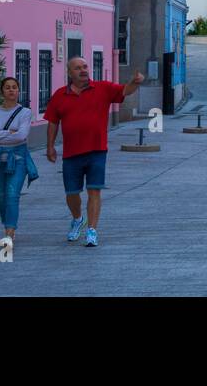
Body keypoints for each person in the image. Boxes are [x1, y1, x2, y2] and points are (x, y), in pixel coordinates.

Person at [44, 57, 143, 247]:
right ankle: (77, 219)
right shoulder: (59, 95)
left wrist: (134, 82)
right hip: (71, 153)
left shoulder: (102, 88)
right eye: (78, 68)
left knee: (94, 190)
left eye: (85, 66)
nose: (83, 70)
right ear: (69, 73)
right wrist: (50, 146)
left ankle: (92, 230)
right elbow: (53, 122)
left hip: (97, 150)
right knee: (72, 192)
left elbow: (124, 91)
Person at [0, 77, 38, 245]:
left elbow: (21, 135)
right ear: (1, 91)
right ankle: (7, 224)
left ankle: (9, 232)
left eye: (14, 87)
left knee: (12, 195)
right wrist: (8, 134)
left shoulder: (25, 112)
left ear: (19, 91)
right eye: (7, 87)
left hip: (18, 159)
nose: (11, 90)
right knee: (1, 196)